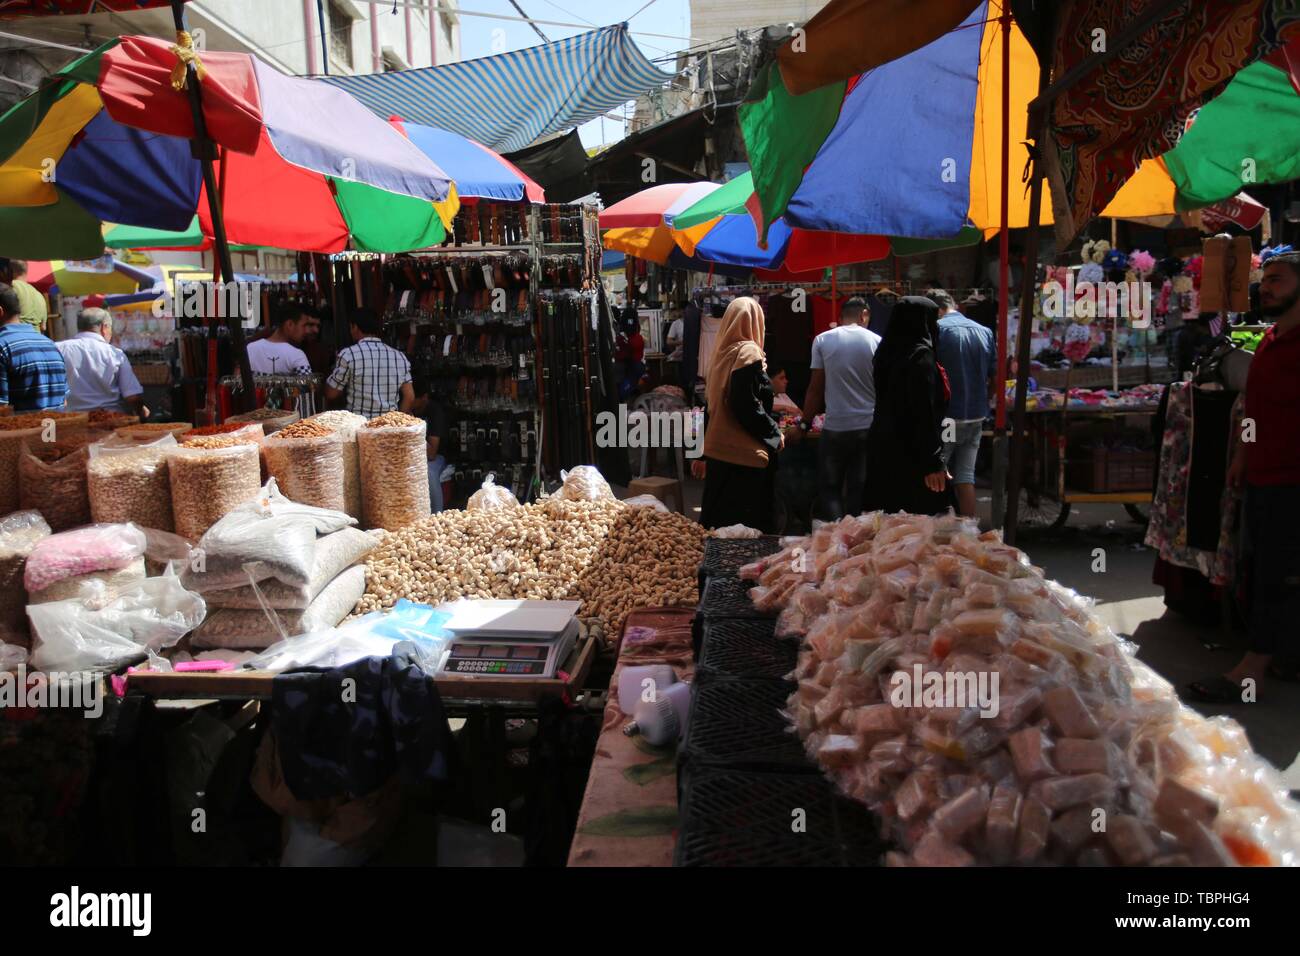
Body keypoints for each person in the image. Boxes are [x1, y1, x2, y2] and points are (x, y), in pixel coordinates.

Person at [1187, 253, 1300, 704]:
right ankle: (1283, 657)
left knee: (1279, 577)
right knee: (1268, 572)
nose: (1265, 287)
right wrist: (1241, 454)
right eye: (1264, 279)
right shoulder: (1273, 338)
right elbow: (1255, 407)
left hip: (1292, 482)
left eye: (1277, 280)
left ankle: (1249, 673)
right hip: (1265, 477)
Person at [863, 296, 954, 515]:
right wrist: (933, 462)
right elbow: (924, 412)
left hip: (883, 446)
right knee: (917, 528)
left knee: (887, 522)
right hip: (912, 454)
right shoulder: (920, 358)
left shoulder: (885, 354)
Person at [698, 297, 782, 532]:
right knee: (745, 534)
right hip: (744, 460)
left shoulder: (719, 355)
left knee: (720, 532)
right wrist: (774, 435)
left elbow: (711, 405)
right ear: (755, 322)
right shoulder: (748, 352)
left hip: (719, 456)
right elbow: (744, 403)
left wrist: (701, 454)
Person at [801, 297, 881, 521]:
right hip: (867, 427)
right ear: (864, 315)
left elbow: (815, 389)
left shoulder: (822, 340)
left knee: (830, 487)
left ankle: (836, 537)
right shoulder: (877, 341)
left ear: (840, 318)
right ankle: (854, 538)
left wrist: (805, 423)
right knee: (858, 487)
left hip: (835, 428)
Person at [930, 288, 995, 518]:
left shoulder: (936, 330)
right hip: (976, 415)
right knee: (965, 476)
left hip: (948, 417)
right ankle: (968, 532)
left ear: (937, 310)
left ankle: (936, 533)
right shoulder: (984, 331)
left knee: (937, 473)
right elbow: (994, 376)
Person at [56, 307, 147, 417]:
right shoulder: (115, 354)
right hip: (109, 420)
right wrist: (141, 412)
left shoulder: (59, 349)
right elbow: (132, 396)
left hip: (72, 421)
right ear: (104, 327)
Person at [324, 308, 413, 418]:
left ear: (355, 327)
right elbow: (409, 397)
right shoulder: (399, 357)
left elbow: (331, 394)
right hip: (388, 428)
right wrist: (396, 421)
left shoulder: (348, 354)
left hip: (359, 427)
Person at [0, 283, 67, 413]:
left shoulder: (2, 346)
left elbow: (2, 408)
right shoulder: (50, 345)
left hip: (22, 431)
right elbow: (63, 401)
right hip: (55, 430)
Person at [248, 302, 315, 375]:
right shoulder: (297, 355)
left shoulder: (250, 348)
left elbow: (237, 381)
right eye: (304, 325)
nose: (306, 331)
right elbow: (308, 385)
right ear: (290, 324)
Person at [9, 260, 48, 334]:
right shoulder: (39, 295)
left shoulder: (10, 287)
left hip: (16, 338)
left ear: (9, 270)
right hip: (37, 340)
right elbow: (43, 327)